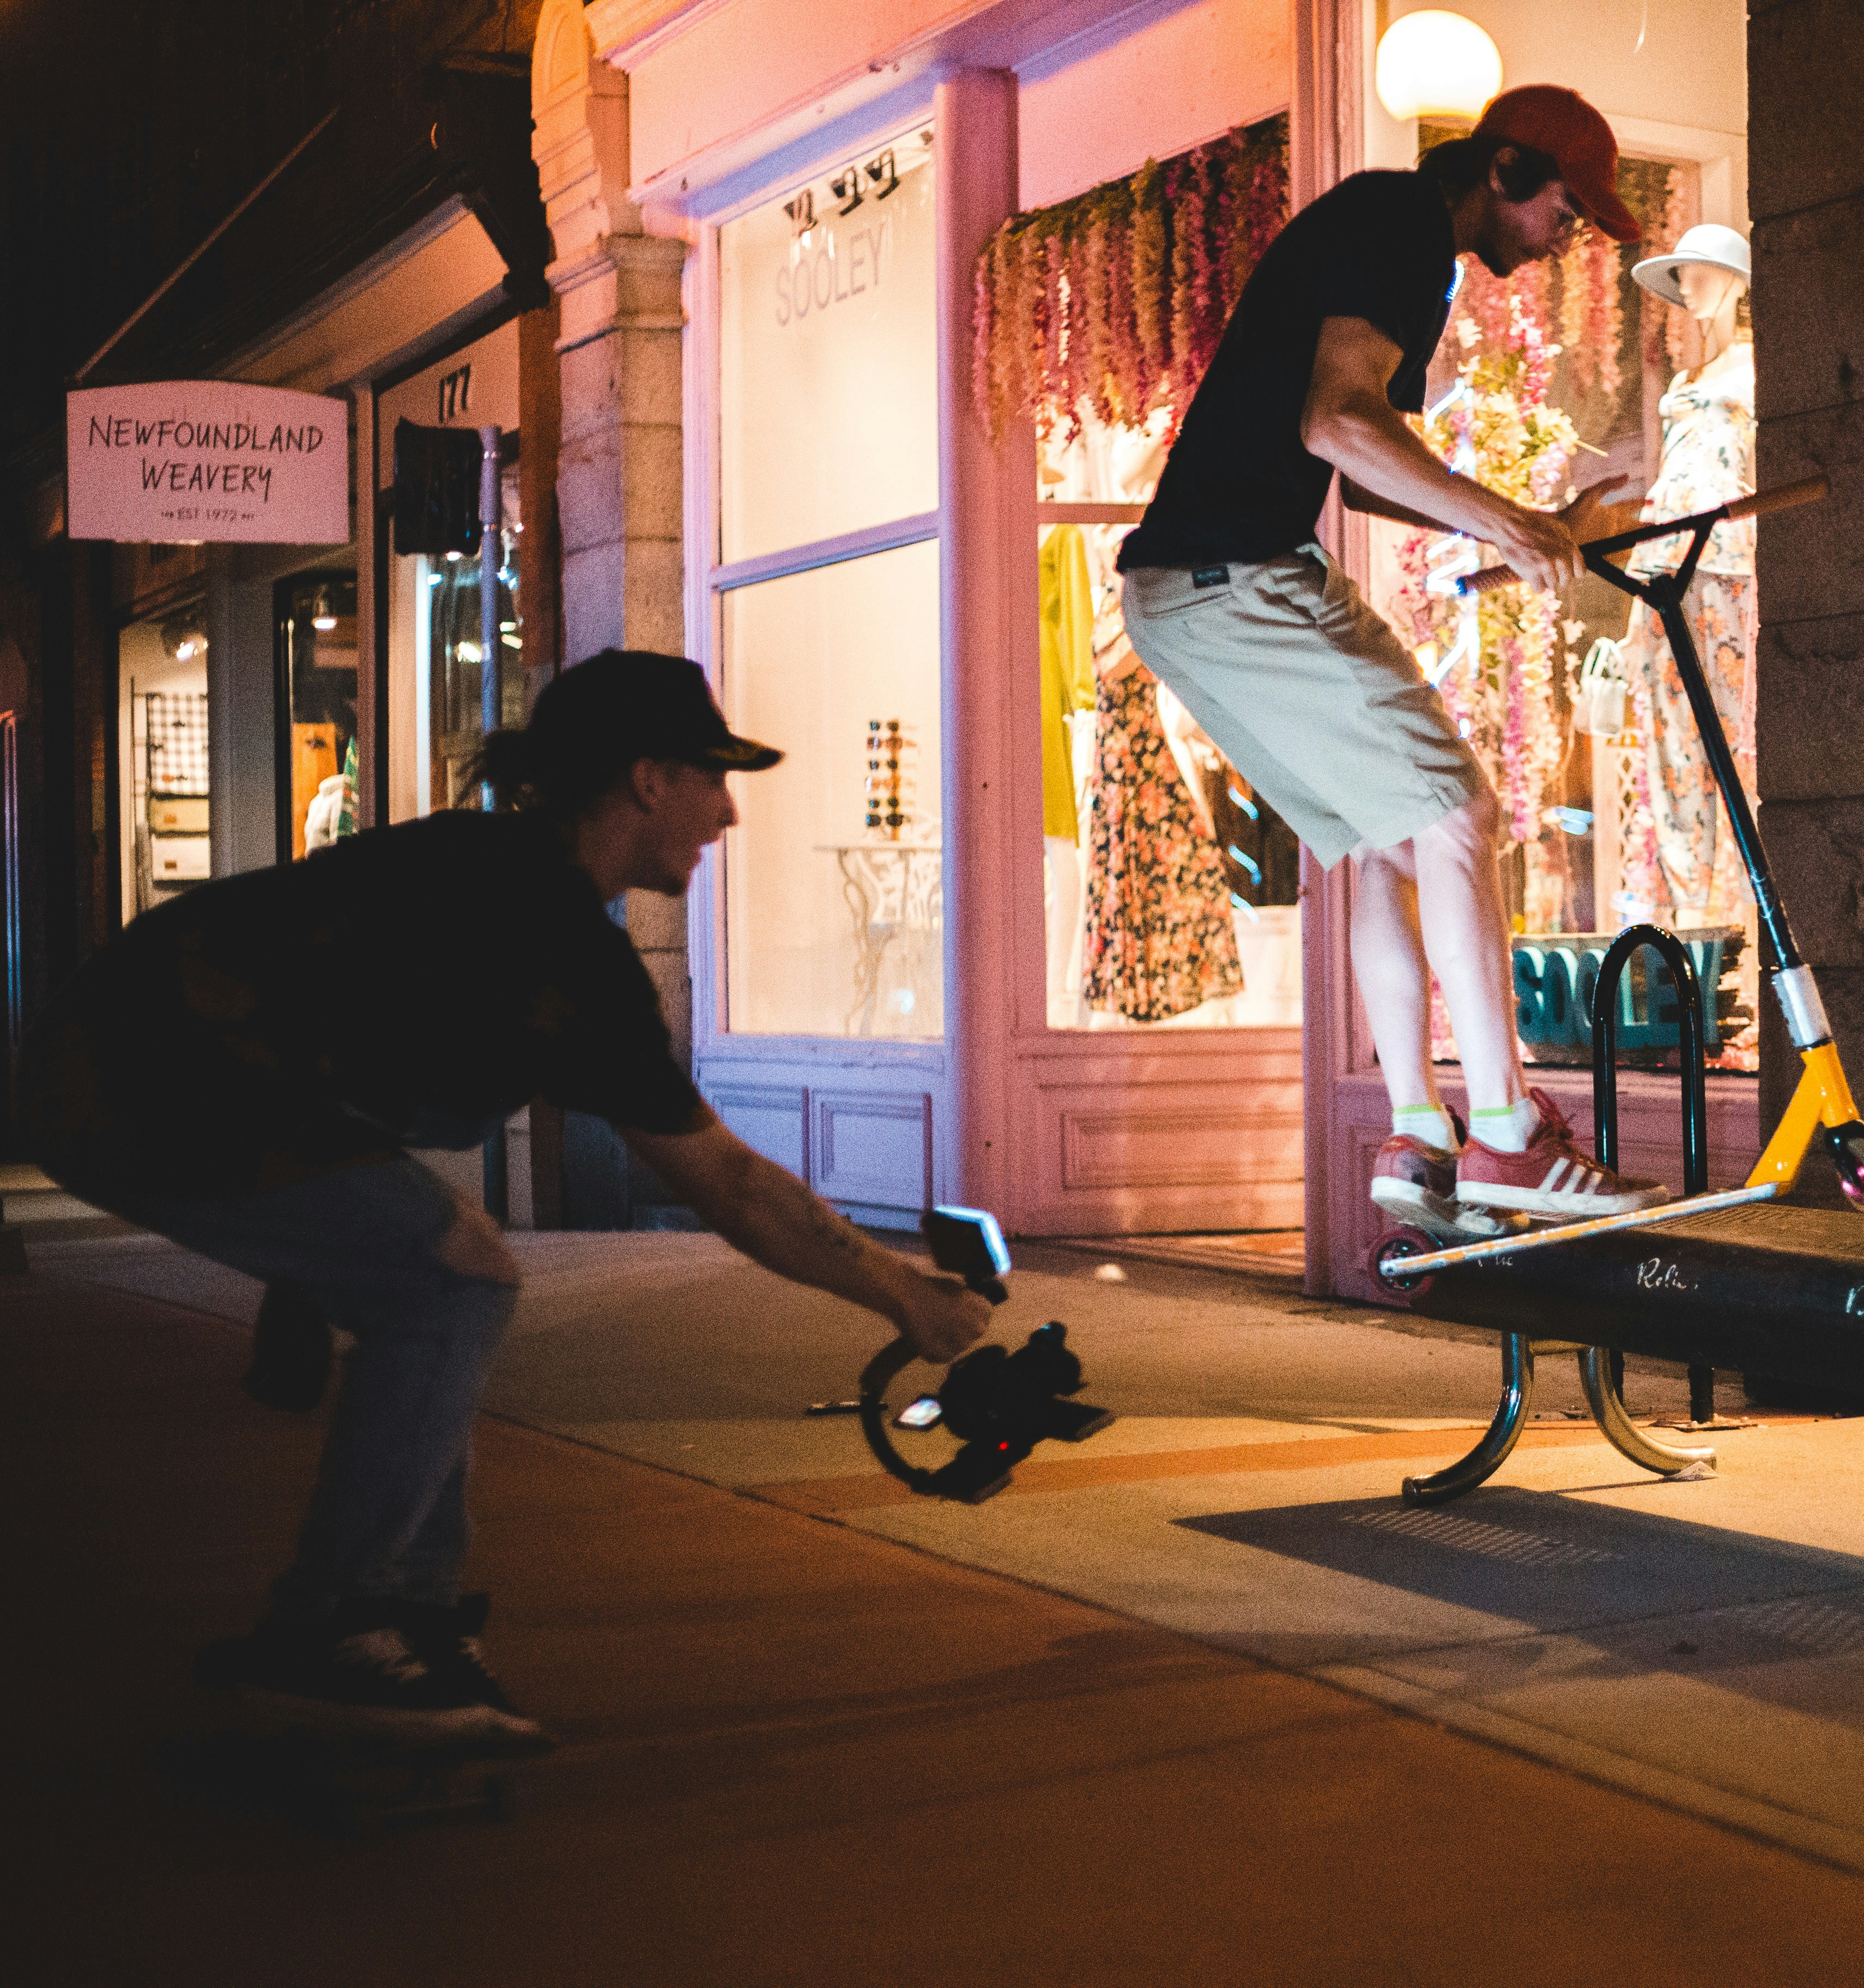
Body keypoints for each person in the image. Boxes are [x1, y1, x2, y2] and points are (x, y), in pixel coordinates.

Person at [14, 650, 991, 1749]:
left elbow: (337, 1059)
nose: (728, 813)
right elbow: (731, 1186)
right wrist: (906, 1296)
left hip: (146, 1068)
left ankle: (403, 1616)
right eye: (714, 778)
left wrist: (310, 1271)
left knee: (445, 1272)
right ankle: (337, 1626)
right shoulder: (552, 937)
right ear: (647, 781)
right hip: (132, 1078)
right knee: (454, 1281)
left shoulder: (497, 879)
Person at [1118, 84, 1668, 1238]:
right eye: (1567, 208)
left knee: (1385, 844)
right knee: (1459, 815)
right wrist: (1512, 526)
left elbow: (1365, 468)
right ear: (1508, 171)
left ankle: (1420, 1132)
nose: (1568, 235)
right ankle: (1509, 1143)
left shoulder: (1395, 233)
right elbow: (1337, 424)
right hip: (1239, 577)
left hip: (1188, 593)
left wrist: (1526, 515)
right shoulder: (1401, 227)